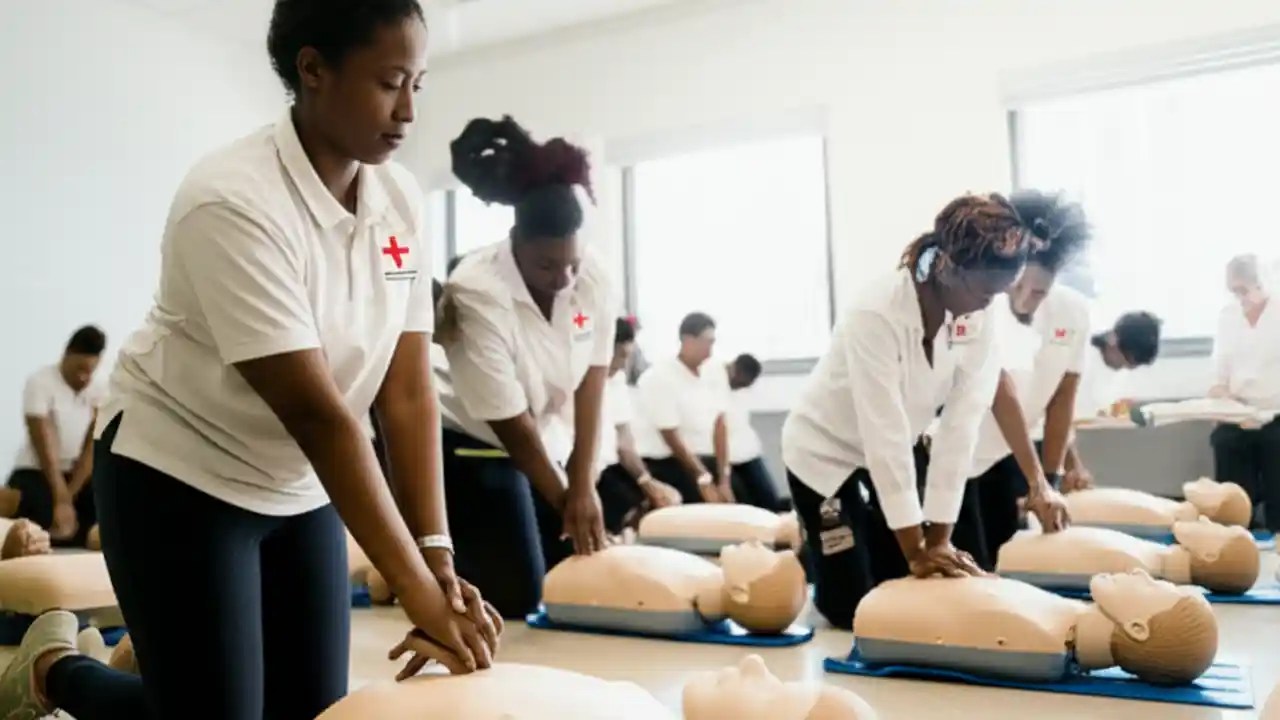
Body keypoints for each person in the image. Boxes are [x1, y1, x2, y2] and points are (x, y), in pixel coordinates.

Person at [0, 3, 501, 718]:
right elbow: (319, 414)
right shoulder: (232, 201)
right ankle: (52, 669)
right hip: (179, 476)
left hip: (297, 488)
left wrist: (436, 558)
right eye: (391, 82)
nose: (409, 110)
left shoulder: (398, 199)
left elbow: (409, 390)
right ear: (313, 69)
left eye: (419, 82)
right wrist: (415, 590)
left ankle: (178, 657)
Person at [781, 193, 1043, 629]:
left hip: (901, 443)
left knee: (917, 578)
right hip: (823, 452)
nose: (988, 305)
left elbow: (960, 429)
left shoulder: (979, 317)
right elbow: (881, 430)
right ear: (947, 268)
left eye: (998, 294)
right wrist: (916, 550)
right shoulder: (876, 312)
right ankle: (817, 542)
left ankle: (861, 534)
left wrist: (937, 540)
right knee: (852, 608)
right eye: (983, 292)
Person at [436, 115, 614, 619]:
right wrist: (569, 502)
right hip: (475, 443)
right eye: (545, 266)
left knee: (574, 571)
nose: (563, 278)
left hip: (542, 435)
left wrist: (583, 484)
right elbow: (511, 427)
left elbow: (592, 381)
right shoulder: (476, 292)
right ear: (515, 243)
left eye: (571, 263)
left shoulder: (591, 277)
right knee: (520, 596)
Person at [950, 190, 1091, 567]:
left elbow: (1063, 398)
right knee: (968, 564)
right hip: (959, 450)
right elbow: (1001, 394)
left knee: (1005, 560)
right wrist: (1037, 481)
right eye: (1019, 287)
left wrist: (1051, 477)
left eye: (1040, 291)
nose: (1026, 299)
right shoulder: (985, 306)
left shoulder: (1073, 313)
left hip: (1009, 453)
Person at [6, 326, 106, 547]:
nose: (84, 377)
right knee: (39, 506)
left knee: (104, 505)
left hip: (76, 475)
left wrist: (69, 497)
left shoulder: (99, 390)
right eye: (80, 369)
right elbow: (43, 442)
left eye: (90, 371)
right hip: (37, 472)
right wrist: (60, 498)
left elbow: (93, 447)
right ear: (66, 355)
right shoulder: (40, 382)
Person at [1209, 253, 1280, 533]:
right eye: (1234, 291)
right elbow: (1219, 371)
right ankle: (1236, 535)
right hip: (1237, 413)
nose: (1240, 298)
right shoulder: (1228, 317)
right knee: (1224, 442)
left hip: (1275, 413)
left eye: (1244, 290)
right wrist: (1220, 395)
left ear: (1261, 283)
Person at [636, 313, 734, 505]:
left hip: (706, 459)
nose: (710, 350)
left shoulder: (715, 370)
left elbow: (720, 424)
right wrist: (704, 479)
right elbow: (671, 436)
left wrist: (724, 479)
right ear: (687, 340)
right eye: (706, 342)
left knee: (739, 500)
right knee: (704, 506)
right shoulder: (659, 376)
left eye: (713, 342)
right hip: (672, 462)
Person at [596, 318, 682, 534]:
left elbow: (625, 442)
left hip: (612, 465)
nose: (624, 365)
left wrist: (647, 482)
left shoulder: (617, 381)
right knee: (628, 507)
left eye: (629, 356)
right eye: (621, 357)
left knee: (668, 499)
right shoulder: (582, 382)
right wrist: (646, 485)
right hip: (585, 468)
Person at [722, 353, 786, 511]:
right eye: (743, 383)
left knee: (768, 498)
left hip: (748, 454)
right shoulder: (713, 385)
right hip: (726, 458)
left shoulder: (740, 392)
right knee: (744, 502)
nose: (744, 387)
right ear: (736, 371)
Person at [1073, 310, 1162, 422]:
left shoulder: (1121, 371)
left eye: (1133, 365)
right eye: (1127, 360)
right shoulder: (1080, 359)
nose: (1127, 368)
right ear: (1112, 340)